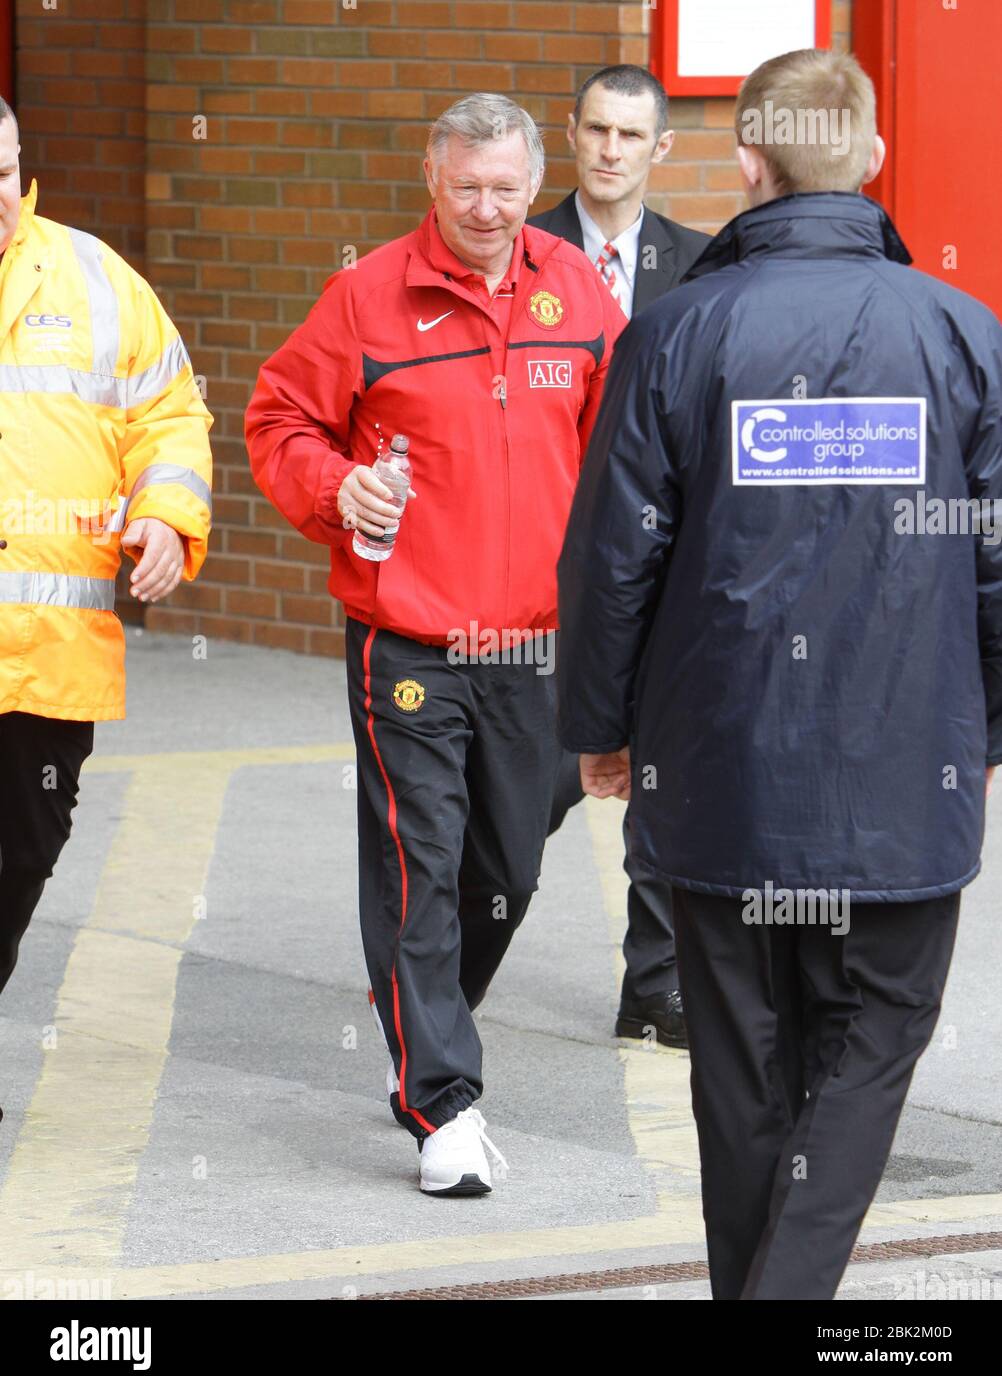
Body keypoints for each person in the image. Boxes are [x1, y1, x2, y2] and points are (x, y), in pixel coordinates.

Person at [555, 47, 1002, 1299]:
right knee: (870, 1047)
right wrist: (981, 731)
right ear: (870, 158)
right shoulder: (968, 338)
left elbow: (610, 559)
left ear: (745, 160)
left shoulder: (675, 331)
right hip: (906, 782)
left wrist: (600, 721)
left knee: (742, 1067)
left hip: (722, 782)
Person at [246, 93, 626, 1196]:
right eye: (466, 187)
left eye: (507, 188)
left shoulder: (578, 290)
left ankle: (420, 1012)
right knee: (421, 866)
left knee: (504, 865)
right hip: (406, 640)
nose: (487, 209)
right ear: (430, 172)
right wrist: (338, 484)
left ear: (533, 180)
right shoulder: (366, 296)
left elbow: (623, 452)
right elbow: (278, 421)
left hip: (537, 650)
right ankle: (443, 1106)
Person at [0, 99, 214, 1116]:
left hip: (50, 656)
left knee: (24, 851)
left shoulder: (92, 279)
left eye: (3, 172)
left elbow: (169, 413)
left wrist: (169, 516)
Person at [531, 64, 711, 1050]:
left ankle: (657, 981)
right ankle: (462, 929)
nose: (609, 151)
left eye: (630, 136)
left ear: (660, 149)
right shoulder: (521, 249)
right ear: (572, 134)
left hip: (662, 566)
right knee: (537, 788)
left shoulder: (703, 261)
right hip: (534, 571)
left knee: (666, 777)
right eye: (596, 130)